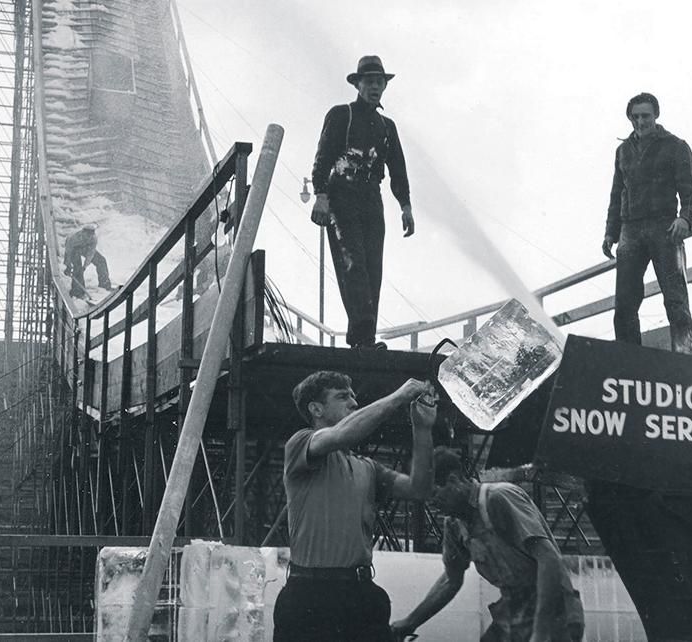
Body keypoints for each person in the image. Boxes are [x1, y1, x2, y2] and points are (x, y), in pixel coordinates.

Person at [273, 371, 437, 642]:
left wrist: (423, 428)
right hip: (310, 594)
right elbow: (342, 435)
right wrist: (398, 396)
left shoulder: (366, 467)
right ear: (316, 409)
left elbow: (419, 488)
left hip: (360, 592)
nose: (353, 403)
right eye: (342, 397)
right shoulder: (301, 442)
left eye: (353, 396)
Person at [391, 448, 584, 642]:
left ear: (453, 480)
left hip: (554, 609)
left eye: (434, 494)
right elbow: (451, 580)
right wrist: (410, 622)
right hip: (513, 612)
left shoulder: (499, 498)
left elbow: (548, 558)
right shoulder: (454, 525)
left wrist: (541, 632)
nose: (432, 503)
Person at [310, 55, 414, 350]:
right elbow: (323, 157)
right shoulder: (341, 115)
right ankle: (364, 339)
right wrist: (321, 196)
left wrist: (405, 206)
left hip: (372, 198)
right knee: (352, 263)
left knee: (372, 267)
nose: (375, 87)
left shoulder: (387, 126)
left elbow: (398, 168)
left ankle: (362, 338)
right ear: (358, 84)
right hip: (342, 194)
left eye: (379, 82)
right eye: (369, 82)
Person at [601, 92, 692, 353]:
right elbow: (616, 194)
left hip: (665, 228)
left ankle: (684, 355)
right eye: (635, 117)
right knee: (624, 302)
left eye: (645, 116)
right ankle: (628, 357)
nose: (640, 122)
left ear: (656, 115)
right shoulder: (622, 151)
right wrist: (610, 233)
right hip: (630, 230)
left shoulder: (675, 146)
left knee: (675, 298)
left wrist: (685, 219)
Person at [63, 223, 111, 297]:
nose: (88, 237)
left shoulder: (93, 238)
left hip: (86, 248)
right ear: (83, 232)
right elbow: (68, 253)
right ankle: (77, 291)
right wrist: (68, 265)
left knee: (101, 261)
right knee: (77, 267)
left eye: (90, 236)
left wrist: (84, 266)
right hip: (74, 249)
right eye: (87, 235)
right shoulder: (73, 238)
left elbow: (90, 254)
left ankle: (105, 284)